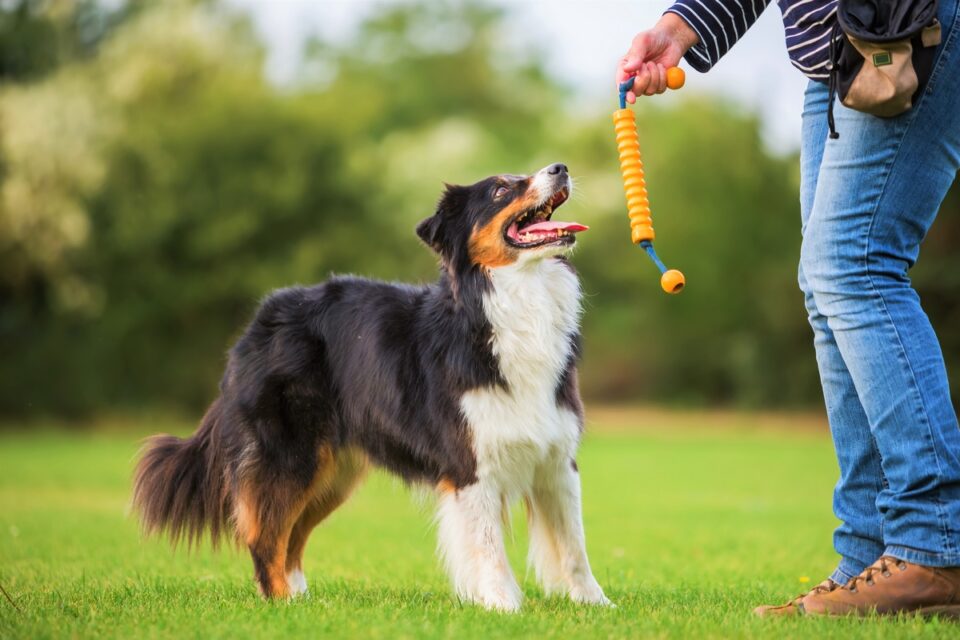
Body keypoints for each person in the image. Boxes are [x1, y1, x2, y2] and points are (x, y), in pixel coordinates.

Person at [618, 0, 960, 618]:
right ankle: (871, 554)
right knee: (827, 287)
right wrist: (676, 29)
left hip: (900, 29)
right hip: (834, 52)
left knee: (854, 268)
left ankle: (933, 544)